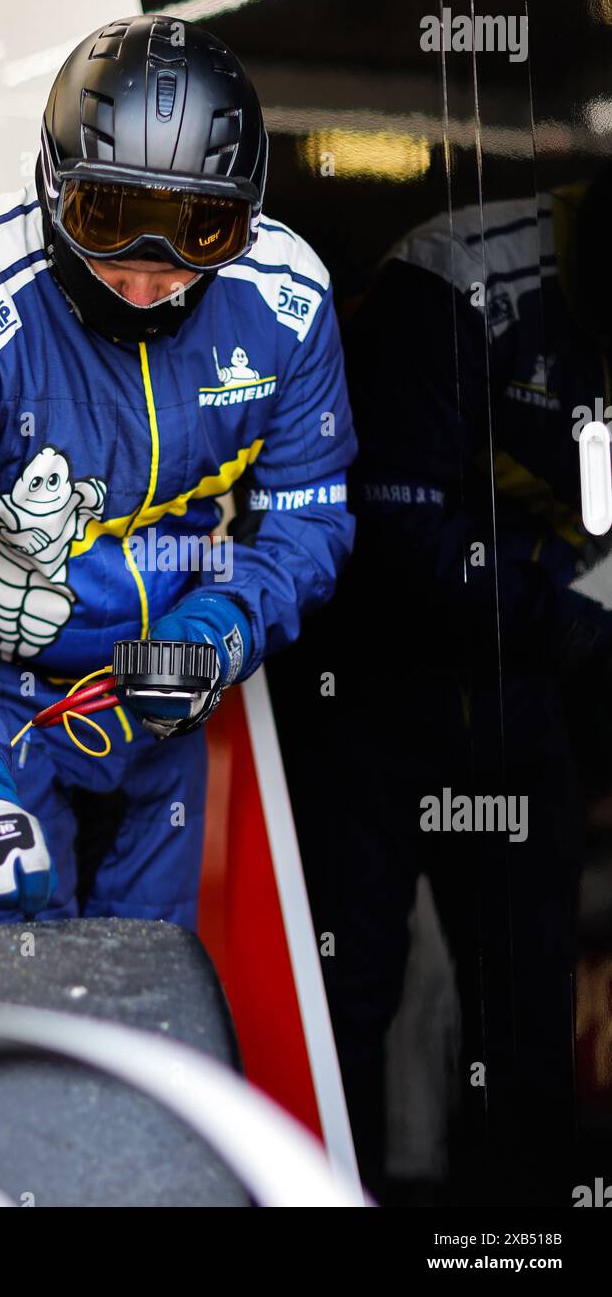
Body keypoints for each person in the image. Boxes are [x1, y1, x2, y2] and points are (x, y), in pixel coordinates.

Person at [0, 14, 356, 932]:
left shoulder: (288, 300)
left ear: (249, 214)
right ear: (50, 184)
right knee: (3, 1034)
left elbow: (310, 514)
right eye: (109, 222)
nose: (147, 277)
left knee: (151, 1023)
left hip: (159, 710)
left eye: (202, 232)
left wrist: (222, 630)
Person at [299, 169, 612, 1202]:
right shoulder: (452, 279)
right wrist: (567, 612)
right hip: (375, 705)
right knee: (348, 999)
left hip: (524, 717)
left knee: (522, 1021)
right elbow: (388, 533)